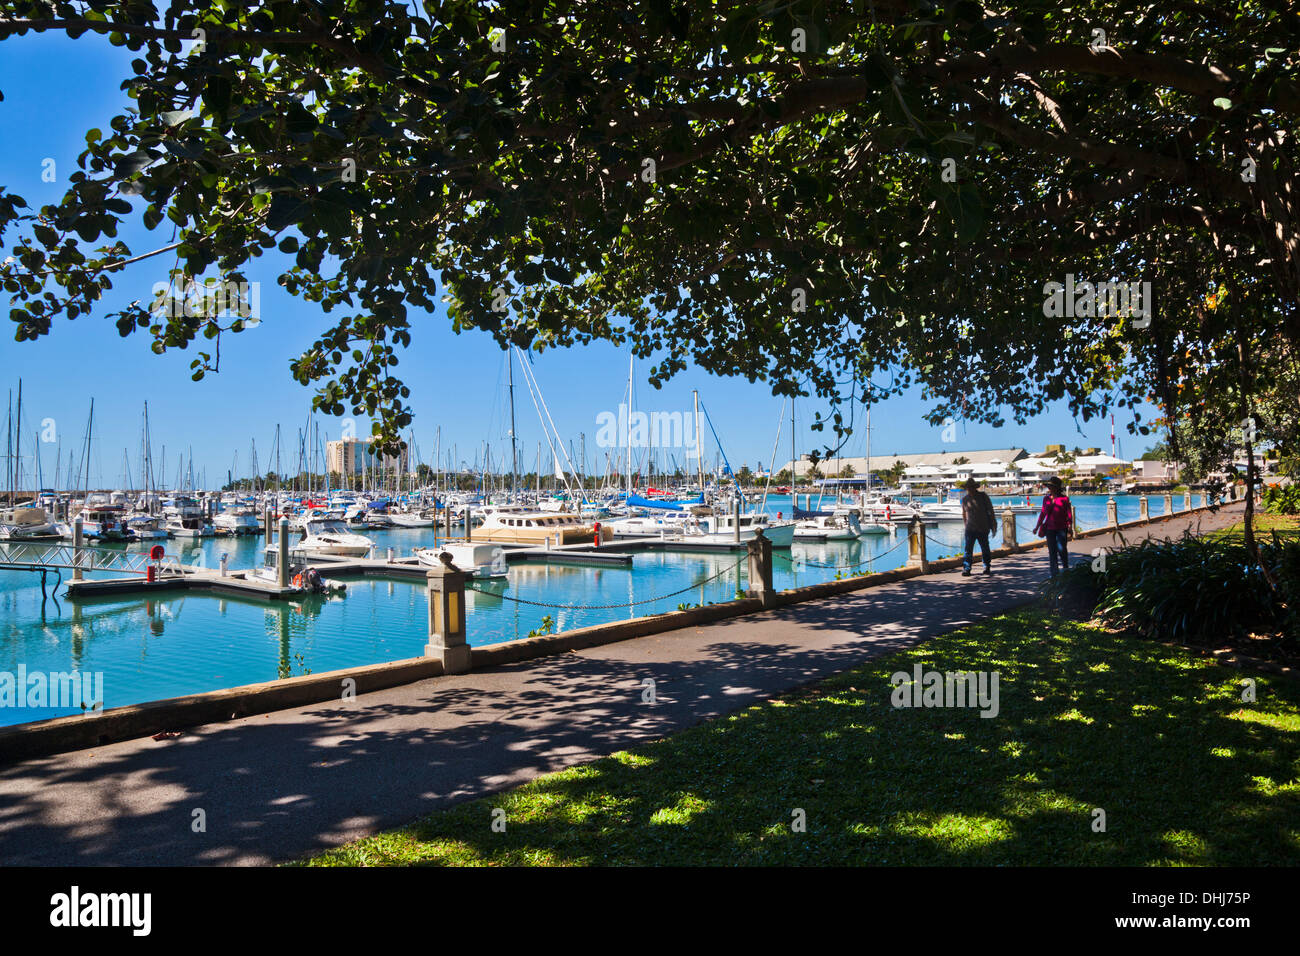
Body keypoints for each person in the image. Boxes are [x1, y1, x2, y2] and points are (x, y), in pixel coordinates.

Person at [1034, 476, 1073, 577]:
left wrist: (1070, 527)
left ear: (1057, 487)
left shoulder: (1064, 499)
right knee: (1052, 552)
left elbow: (1068, 514)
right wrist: (1037, 527)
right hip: (1049, 529)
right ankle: (1054, 573)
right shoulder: (1046, 499)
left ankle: (1065, 569)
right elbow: (1043, 513)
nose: (1050, 488)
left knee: (1062, 549)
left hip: (1061, 529)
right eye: (1049, 486)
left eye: (1052, 486)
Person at [960, 477, 997, 576]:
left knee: (985, 548)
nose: (970, 489)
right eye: (968, 487)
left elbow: (991, 510)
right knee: (968, 550)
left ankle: (986, 566)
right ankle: (967, 569)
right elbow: (964, 513)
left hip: (983, 527)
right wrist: (965, 525)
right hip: (970, 528)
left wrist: (994, 525)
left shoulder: (983, 496)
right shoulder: (964, 499)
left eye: (971, 487)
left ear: (975, 487)